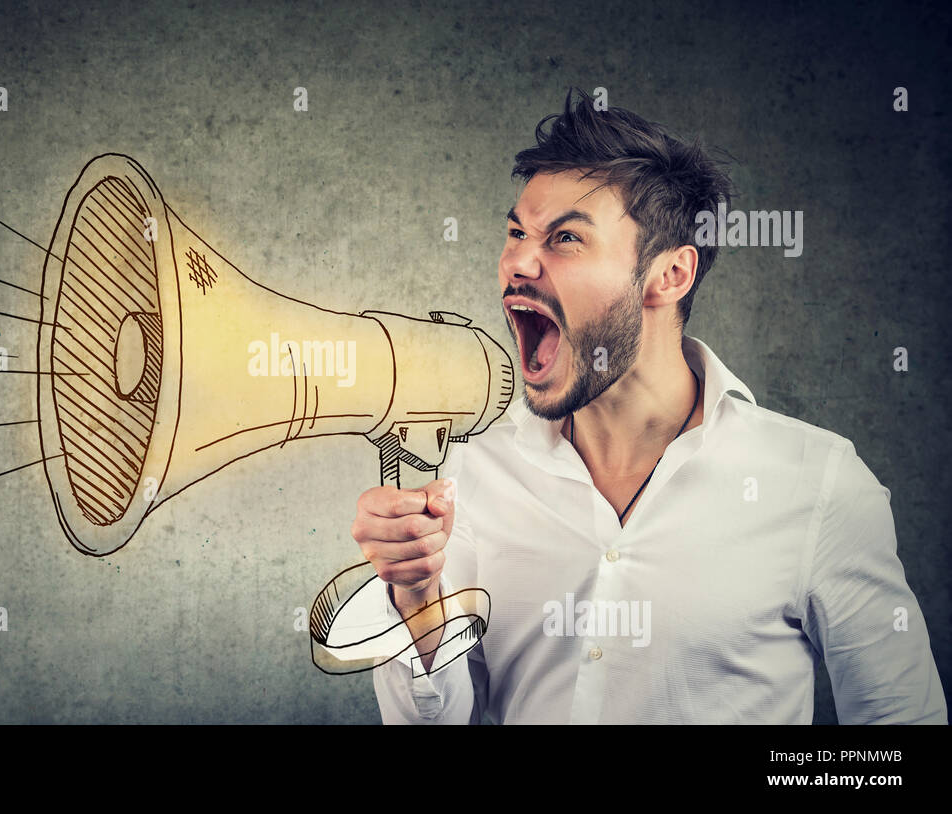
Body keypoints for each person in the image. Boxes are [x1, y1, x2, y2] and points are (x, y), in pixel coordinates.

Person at [350, 89, 946, 724]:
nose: (517, 262)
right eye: (516, 232)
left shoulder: (818, 483)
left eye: (566, 238)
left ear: (670, 276)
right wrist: (417, 601)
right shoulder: (469, 483)